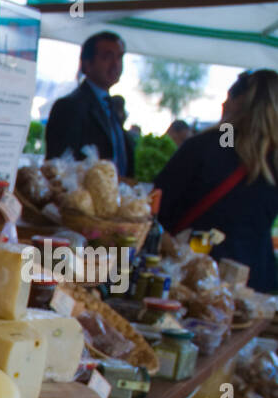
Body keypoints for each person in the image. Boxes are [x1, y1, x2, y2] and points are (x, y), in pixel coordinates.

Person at [155, 70, 278, 292]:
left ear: (241, 101)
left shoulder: (216, 143)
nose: (223, 103)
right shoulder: (273, 159)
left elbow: (157, 207)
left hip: (191, 278)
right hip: (255, 285)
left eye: (229, 97)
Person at [45, 31, 136, 176]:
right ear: (87, 63)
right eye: (108, 57)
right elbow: (57, 167)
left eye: (119, 57)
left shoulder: (111, 106)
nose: (116, 65)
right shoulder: (69, 106)